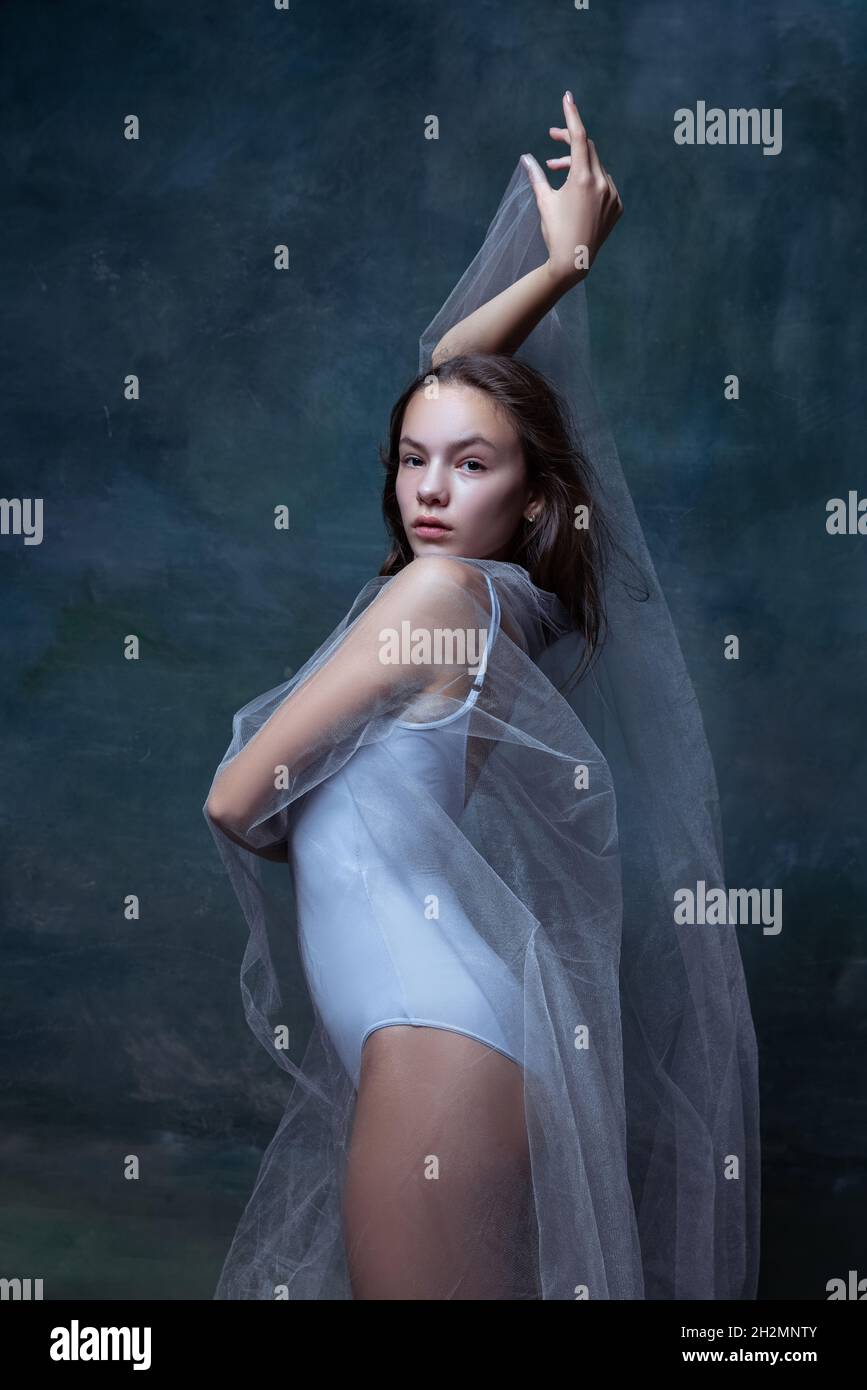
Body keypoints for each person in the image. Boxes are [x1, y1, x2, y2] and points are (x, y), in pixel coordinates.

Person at [204, 92, 760, 1300]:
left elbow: (235, 797)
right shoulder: (499, 603)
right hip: (460, 1034)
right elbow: (455, 381)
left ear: (534, 496)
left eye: (470, 466)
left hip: (438, 1047)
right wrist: (558, 265)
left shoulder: (437, 599)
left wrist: (301, 816)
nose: (431, 488)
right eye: (413, 460)